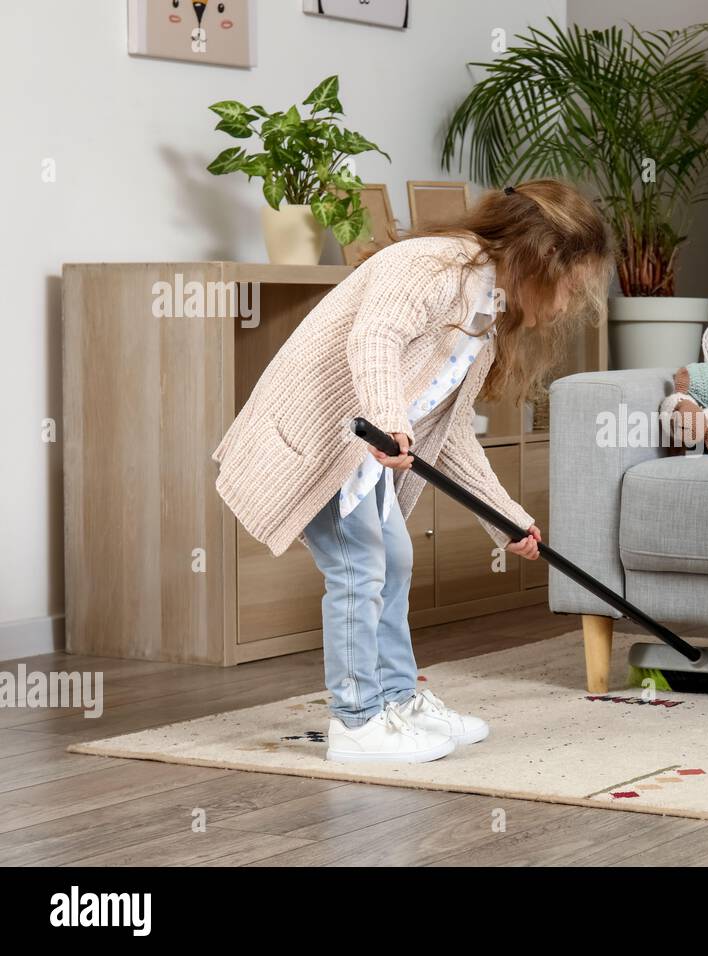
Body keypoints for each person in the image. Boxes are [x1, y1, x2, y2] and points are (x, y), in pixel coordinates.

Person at [212, 180, 613, 763]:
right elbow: (374, 336)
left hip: (366, 454)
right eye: (573, 286)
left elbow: (445, 436)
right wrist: (383, 412)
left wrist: (506, 519)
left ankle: (397, 701)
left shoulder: (485, 310)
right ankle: (356, 723)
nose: (570, 303)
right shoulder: (432, 265)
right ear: (543, 257)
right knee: (359, 571)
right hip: (325, 445)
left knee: (393, 562)